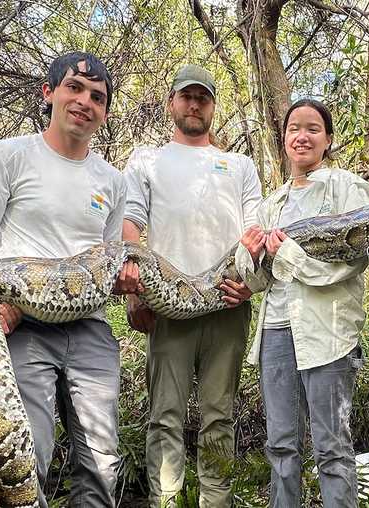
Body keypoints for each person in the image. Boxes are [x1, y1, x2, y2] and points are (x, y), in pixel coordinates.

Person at [0, 52, 138, 507]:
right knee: (27, 453)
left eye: (97, 96)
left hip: (90, 328)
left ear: (105, 112)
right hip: (23, 326)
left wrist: (126, 277)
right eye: (74, 88)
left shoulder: (112, 181)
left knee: (101, 463)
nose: (84, 101)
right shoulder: (10, 155)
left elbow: (108, 259)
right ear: (49, 92)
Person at [121, 64, 262, 507]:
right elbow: (129, 226)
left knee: (219, 417)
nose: (195, 103)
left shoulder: (239, 164)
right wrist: (136, 293)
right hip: (170, 309)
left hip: (227, 304)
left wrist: (251, 286)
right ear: (171, 103)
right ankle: (166, 500)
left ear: (213, 107)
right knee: (165, 416)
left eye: (203, 97)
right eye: (187, 96)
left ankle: (216, 501)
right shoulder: (146, 159)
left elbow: (256, 233)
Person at [236, 99, 369, 507]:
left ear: (327, 140)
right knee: (281, 446)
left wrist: (288, 256)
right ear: (283, 140)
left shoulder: (346, 188)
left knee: (332, 448)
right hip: (277, 331)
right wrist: (255, 253)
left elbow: (351, 261)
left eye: (313, 128)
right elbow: (256, 279)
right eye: (294, 128)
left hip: (327, 333)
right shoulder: (271, 203)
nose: (302, 136)